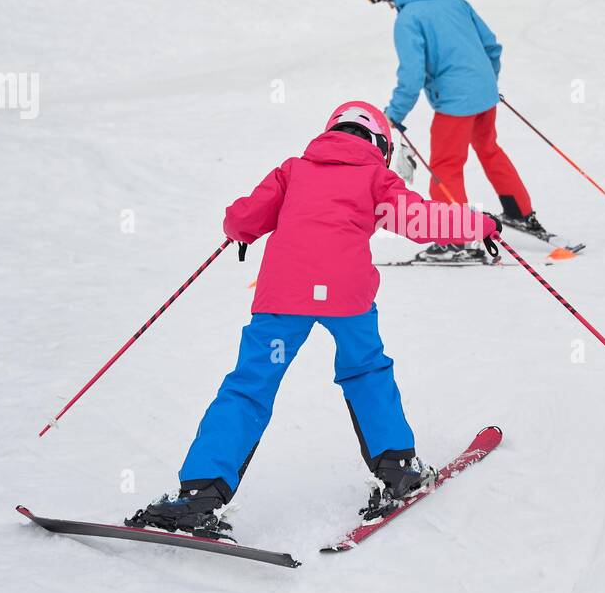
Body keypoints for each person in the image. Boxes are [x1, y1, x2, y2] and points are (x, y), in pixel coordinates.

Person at [127, 101, 501, 537]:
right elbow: (419, 219)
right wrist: (479, 224)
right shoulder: (376, 176)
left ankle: (196, 498)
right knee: (366, 371)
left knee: (250, 385)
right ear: (380, 144)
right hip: (346, 296)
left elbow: (244, 218)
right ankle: (400, 469)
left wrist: (239, 230)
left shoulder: (294, 170)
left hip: (283, 295)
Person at [366, 0, 549, 263]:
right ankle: (520, 212)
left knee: (445, 167)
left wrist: (394, 115)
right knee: (489, 150)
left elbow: (411, 75)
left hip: (455, 104)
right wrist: (486, 82)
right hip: (485, 96)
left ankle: (454, 239)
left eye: (386, 0)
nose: (389, 7)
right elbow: (491, 46)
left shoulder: (408, 19)